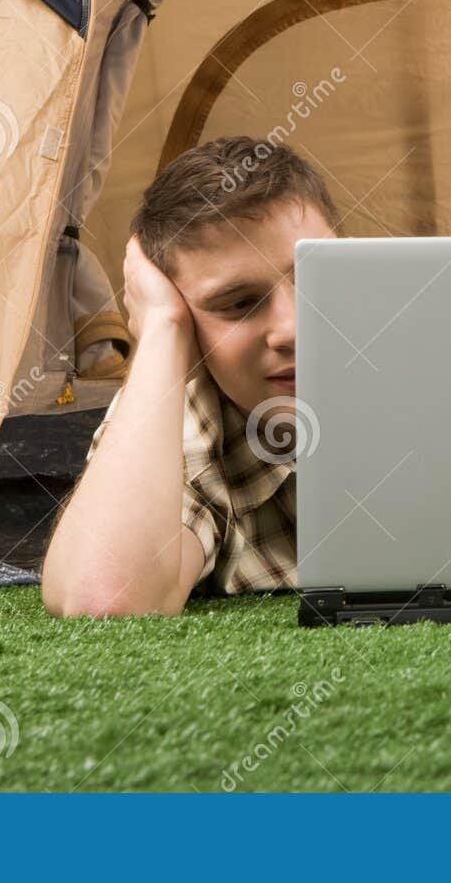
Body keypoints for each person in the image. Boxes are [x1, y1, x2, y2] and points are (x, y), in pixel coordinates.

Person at [42, 136, 340, 617]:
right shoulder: (190, 422)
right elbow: (105, 599)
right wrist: (162, 326)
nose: (291, 330)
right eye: (239, 304)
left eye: (318, 278)